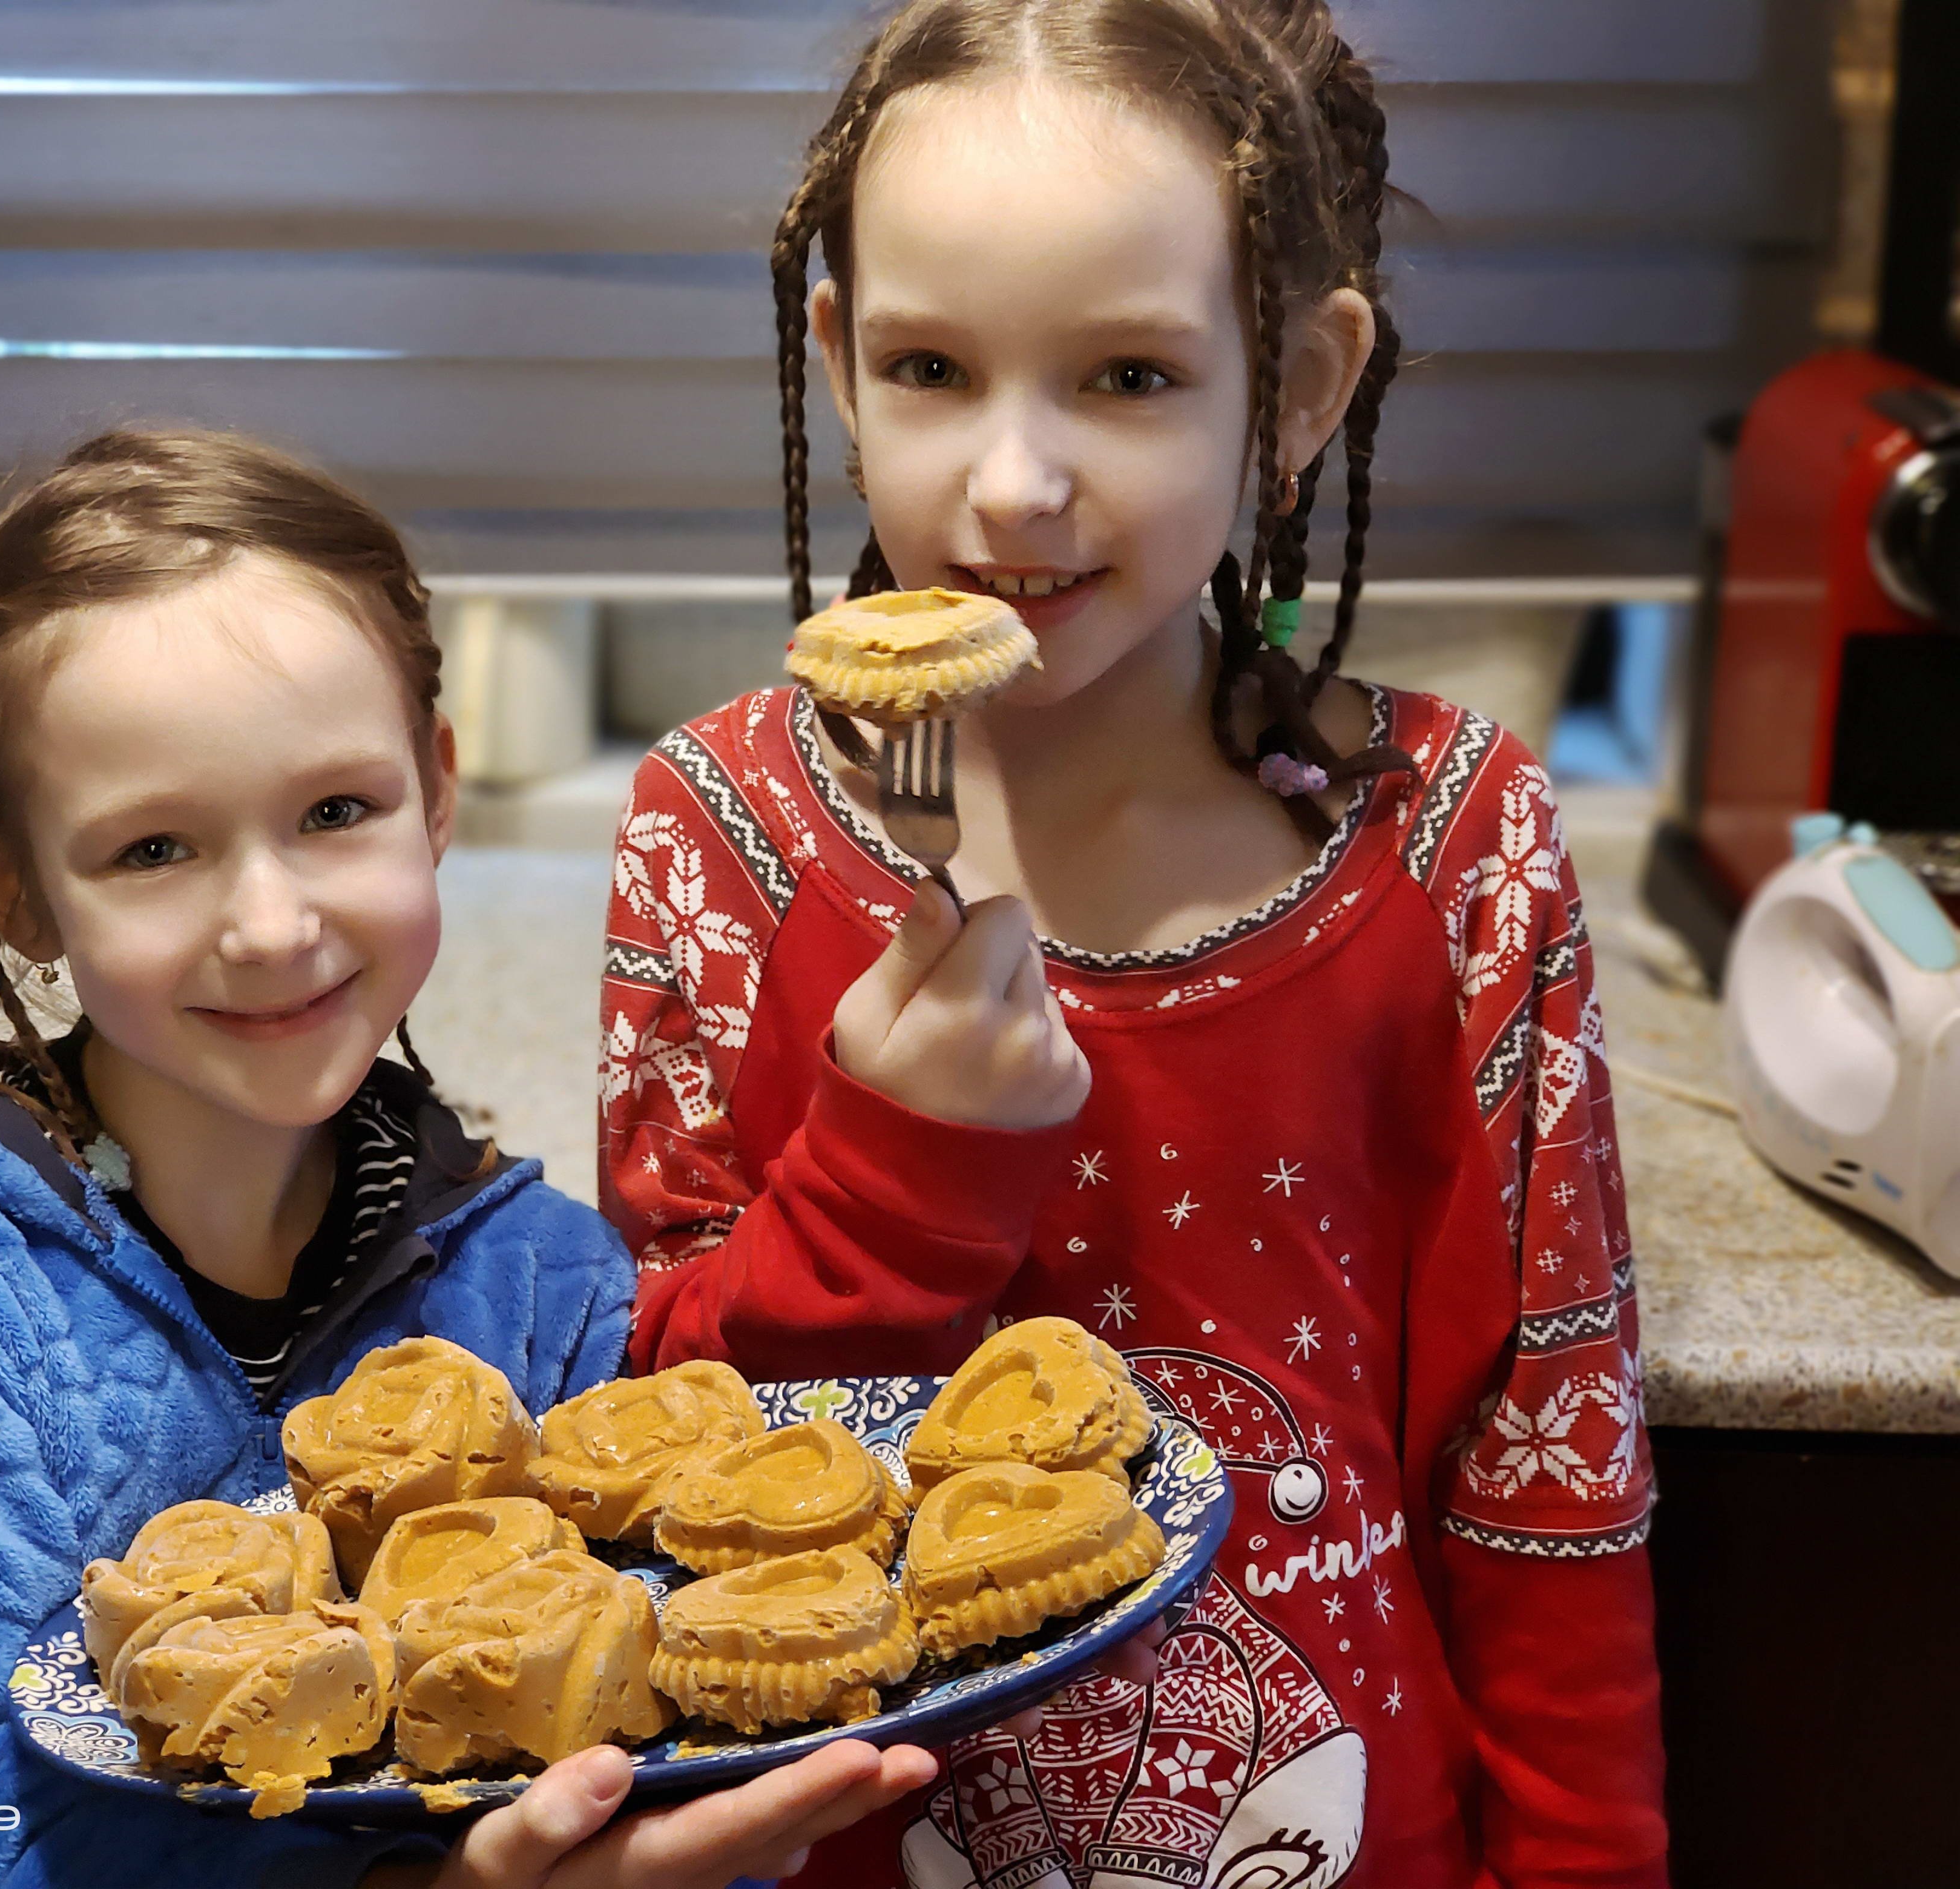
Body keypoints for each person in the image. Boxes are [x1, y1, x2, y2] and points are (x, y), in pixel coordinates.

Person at [599, 5, 1665, 1885]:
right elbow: (674, 1465)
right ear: (840, 368)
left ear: (1303, 390)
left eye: (1128, 379)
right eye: (933, 366)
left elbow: (1546, 1481)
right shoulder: (720, 837)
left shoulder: (1460, 843)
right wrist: (901, 1172)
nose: (1012, 484)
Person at [0, 427, 937, 1888]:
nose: (272, 924)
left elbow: (651, 1722)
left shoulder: (530, 1285)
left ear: (438, 789)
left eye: (334, 813)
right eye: (153, 850)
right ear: (17, 892)